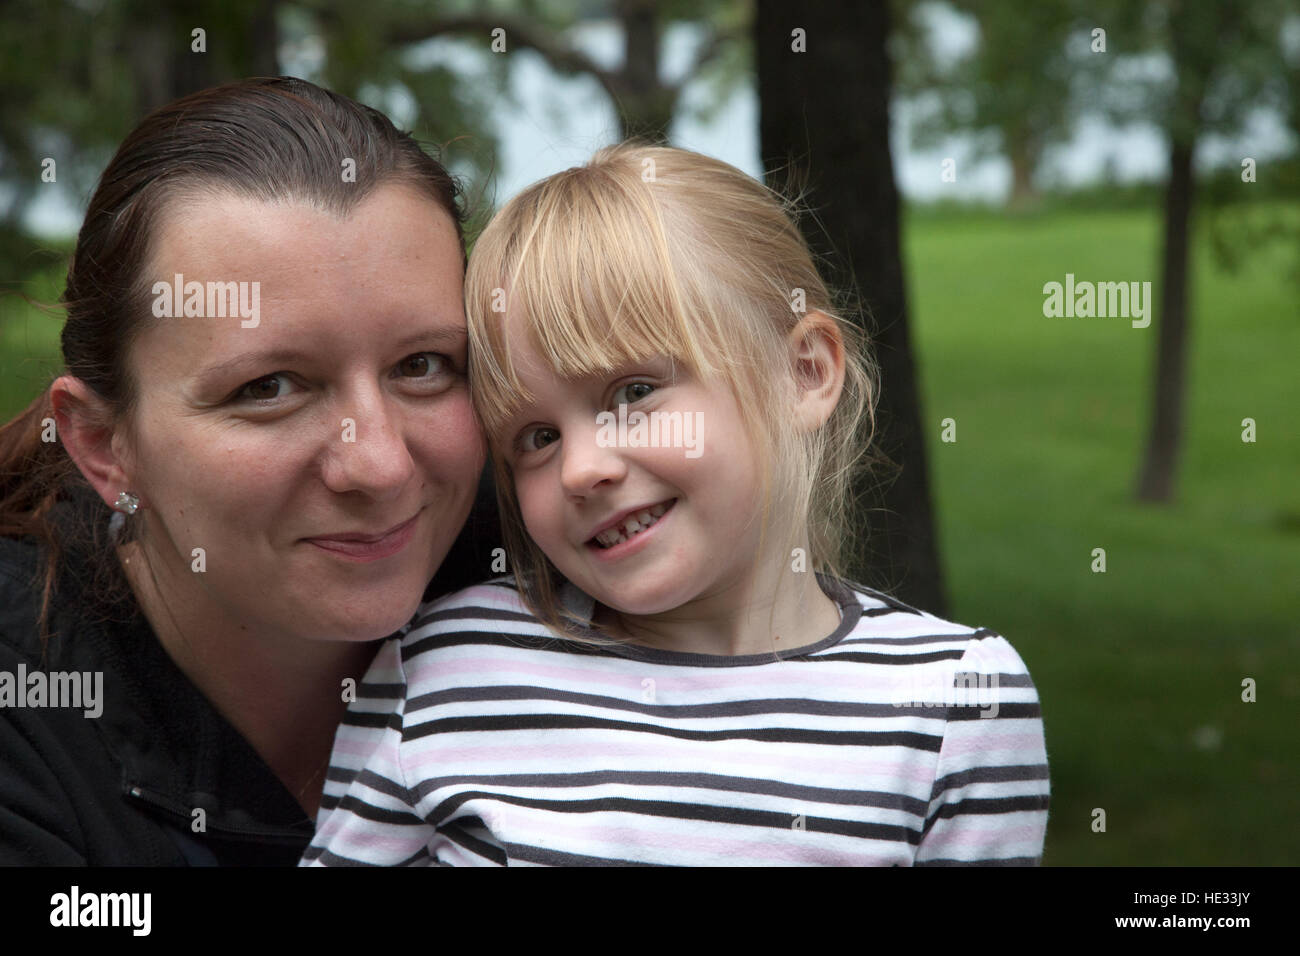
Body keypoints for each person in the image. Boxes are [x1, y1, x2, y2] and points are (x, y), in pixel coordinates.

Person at [303, 143, 1051, 867]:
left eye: (632, 393)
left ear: (804, 373)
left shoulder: (956, 700)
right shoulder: (446, 666)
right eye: (535, 437)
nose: (581, 469)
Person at [0, 77, 499, 865]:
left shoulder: (565, 560)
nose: (379, 463)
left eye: (424, 365)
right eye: (269, 388)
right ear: (102, 445)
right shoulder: (28, 717)